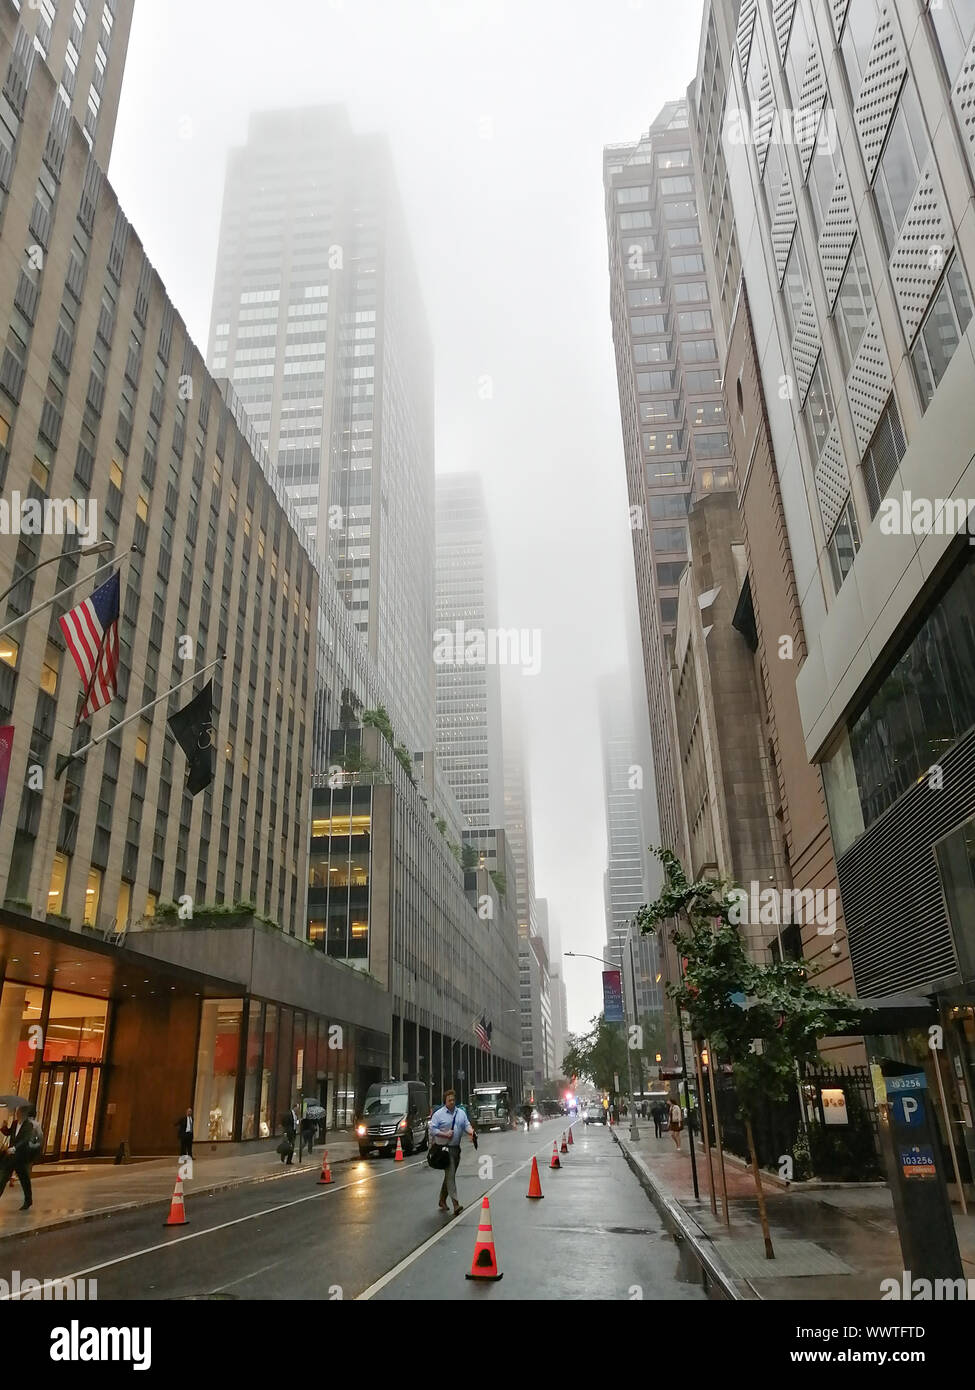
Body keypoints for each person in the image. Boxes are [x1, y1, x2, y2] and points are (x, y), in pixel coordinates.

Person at [429, 1088, 475, 1216]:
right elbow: (432, 1129)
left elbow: (466, 1125)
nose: (452, 1102)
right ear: (445, 1101)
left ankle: (442, 1200)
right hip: (444, 1150)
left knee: (450, 1175)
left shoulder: (460, 1113)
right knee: (450, 1175)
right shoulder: (439, 1114)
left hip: (456, 1149)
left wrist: (471, 1132)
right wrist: (444, 1134)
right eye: (449, 1100)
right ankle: (456, 1204)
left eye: (453, 1100)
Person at [0, 1105, 40, 1210]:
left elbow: (25, 1139)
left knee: (24, 1180)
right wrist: (4, 1127)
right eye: (17, 1112)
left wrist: (15, 1148)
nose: (18, 1114)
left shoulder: (29, 1125)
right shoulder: (14, 1123)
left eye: (20, 1112)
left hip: (21, 1157)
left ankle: (28, 1200)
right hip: (10, 1157)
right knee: (3, 1178)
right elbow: (8, 1133)